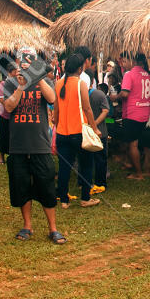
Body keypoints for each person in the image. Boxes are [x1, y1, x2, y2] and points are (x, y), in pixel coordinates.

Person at [1, 50, 66, 243]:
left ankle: (53, 228)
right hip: (18, 145)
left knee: (46, 187)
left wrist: (37, 77)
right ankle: (27, 226)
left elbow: (52, 99)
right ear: (18, 62)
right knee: (21, 187)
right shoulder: (10, 83)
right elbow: (9, 107)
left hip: (40, 145)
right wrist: (21, 86)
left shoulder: (44, 82)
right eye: (23, 60)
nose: (26, 64)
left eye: (30, 61)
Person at [53, 50, 100, 208]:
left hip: (62, 132)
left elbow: (56, 110)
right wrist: (95, 129)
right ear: (80, 69)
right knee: (86, 165)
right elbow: (87, 109)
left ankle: (64, 200)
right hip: (79, 133)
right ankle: (85, 198)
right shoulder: (81, 84)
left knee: (64, 167)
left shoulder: (58, 84)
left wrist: (57, 125)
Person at [121, 52, 150, 178]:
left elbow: (125, 94)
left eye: (125, 61)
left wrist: (115, 97)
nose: (123, 64)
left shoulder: (129, 74)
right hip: (144, 113)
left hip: (132, 113)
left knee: (133, 144)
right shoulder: (148, 76)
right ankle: (131, 163)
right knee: (136, 141)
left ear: (132, 61)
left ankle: (139, 174)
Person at [88, 78, 110, 191]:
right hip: (100, 131)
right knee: (100, 158)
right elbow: (105, 110)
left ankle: (84, 182)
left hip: (85, 130)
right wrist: (95, 124)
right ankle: (100, 183)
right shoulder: (99, 94)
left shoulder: (78, 93)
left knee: (85, 158)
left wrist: (92, 124)